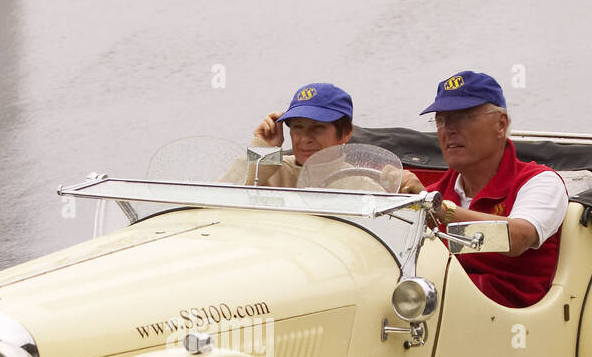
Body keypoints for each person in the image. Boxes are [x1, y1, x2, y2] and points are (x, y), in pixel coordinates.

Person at [415, 70, 568, 308]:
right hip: (439, 316)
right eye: (441, 120)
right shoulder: (434, 193)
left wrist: (440, 210)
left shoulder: (540, 181)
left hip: (513, 329)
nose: (449, 130)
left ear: (501, 124)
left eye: (464, 117)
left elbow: (517, 238)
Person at [226, 83, 421, 192]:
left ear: (345, 133)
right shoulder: (270, 172)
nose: (304, 139)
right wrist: (263, 149)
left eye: (317, 128)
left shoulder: (362, 186)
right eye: (297, 128)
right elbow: (220, 199)